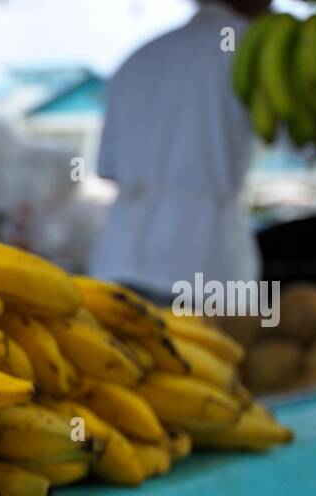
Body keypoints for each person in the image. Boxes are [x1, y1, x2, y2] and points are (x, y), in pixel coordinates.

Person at [90, 0, 272, 304]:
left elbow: (108, 167)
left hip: (116, 260)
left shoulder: (138, 57)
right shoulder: (251, 49)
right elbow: (306, 141)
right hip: (203, 265)